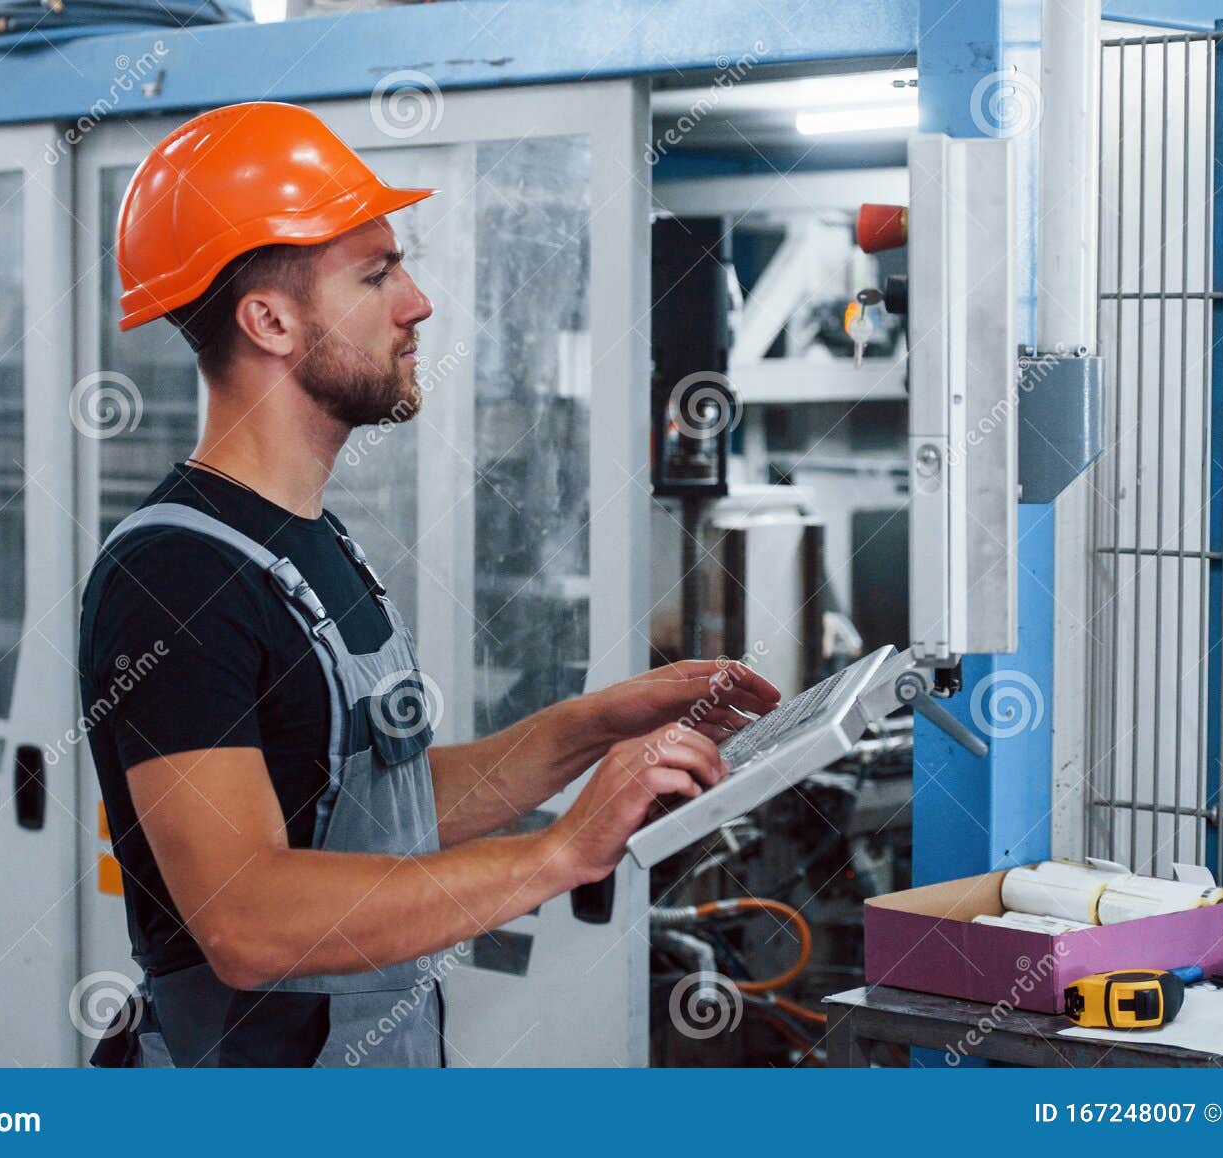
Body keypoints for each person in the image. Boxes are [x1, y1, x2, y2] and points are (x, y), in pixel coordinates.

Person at [79, 101, 780, 1067]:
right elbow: (245, 921)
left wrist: (593, 726)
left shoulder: (307, 541)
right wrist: (558, 852)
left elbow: (376, 811)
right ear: (270, 321)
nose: (417, 303)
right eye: (376, 274)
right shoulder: (173, 576)